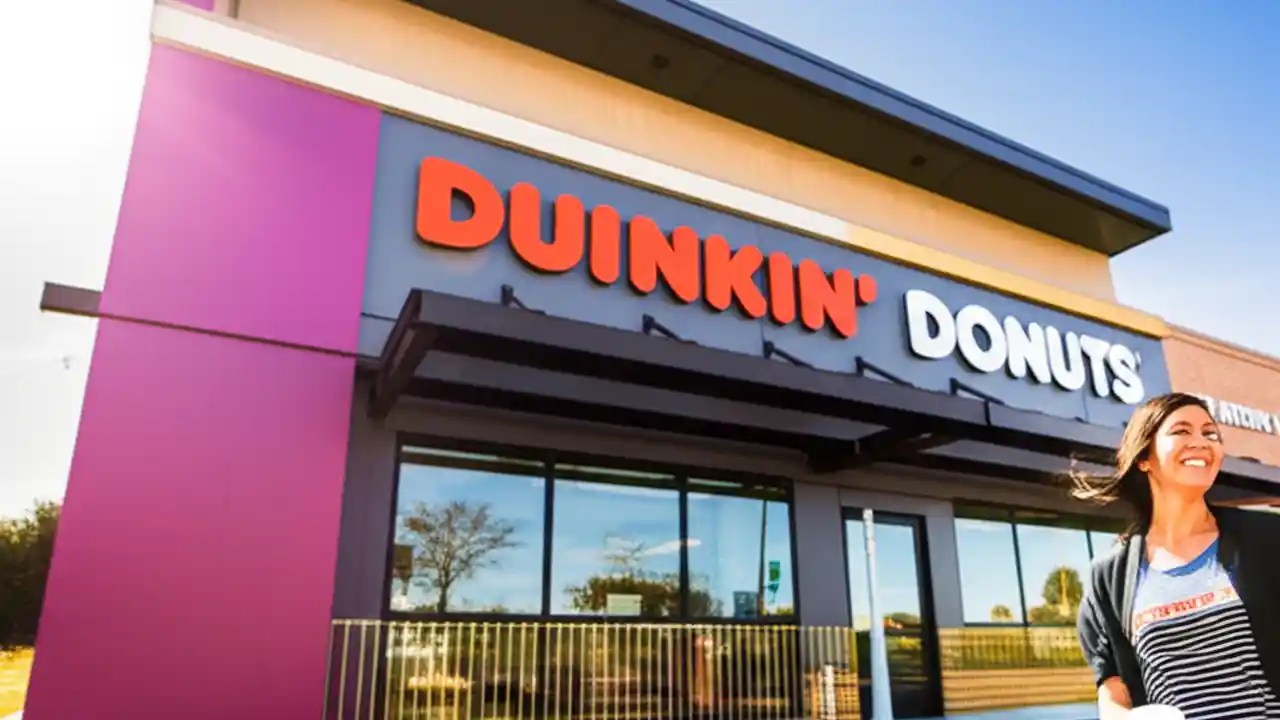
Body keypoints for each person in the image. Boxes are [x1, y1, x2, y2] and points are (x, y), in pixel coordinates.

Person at [1075, 392, 1280, 719]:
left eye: (1210, 434)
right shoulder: (1110, 577)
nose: (1201, 442)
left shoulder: (1268, 538)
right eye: (1181, 431)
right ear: (1144, 458)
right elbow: (1114, 693)